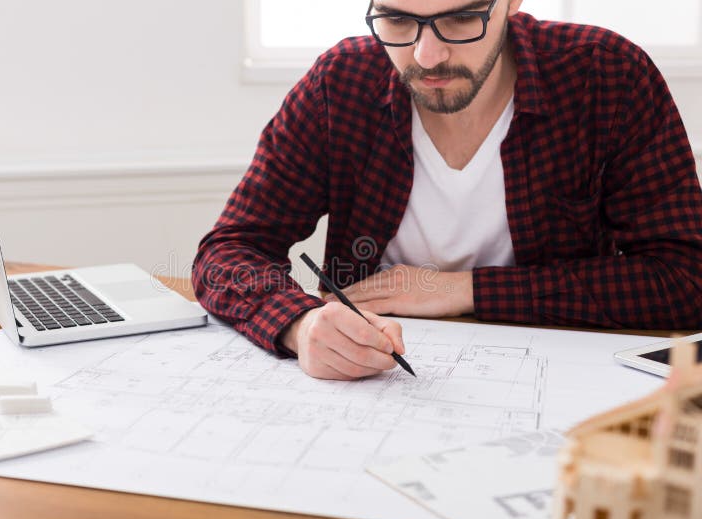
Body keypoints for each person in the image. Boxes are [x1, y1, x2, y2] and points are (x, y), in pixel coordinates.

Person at [192, 0, 702, 381]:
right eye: (396, 20)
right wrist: (299, 325)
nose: (426, 55)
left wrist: (460, 290)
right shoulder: (341, 82)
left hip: (560, 383)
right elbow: (227, 252)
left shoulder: (606, 74)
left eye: (460, 19)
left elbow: (686, 278)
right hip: (382, 382)